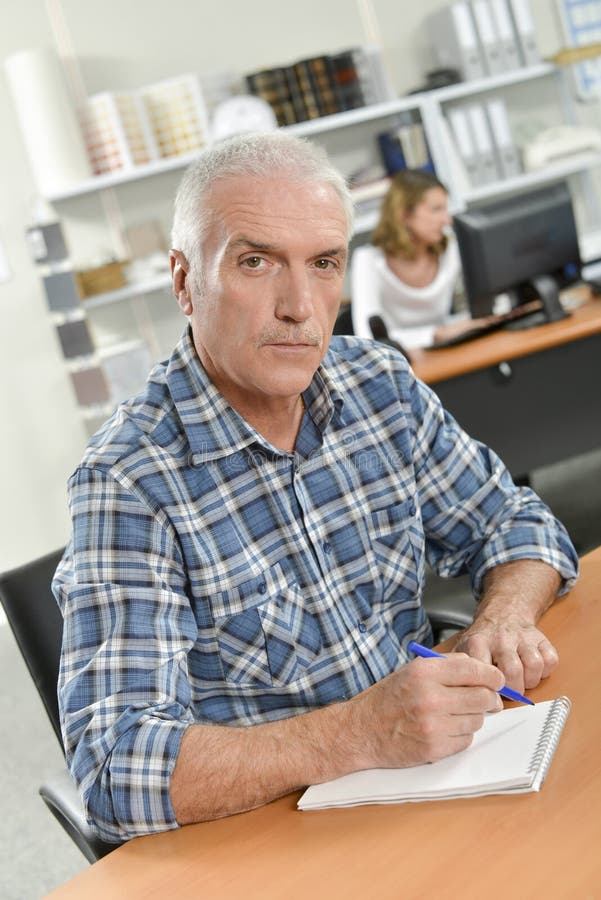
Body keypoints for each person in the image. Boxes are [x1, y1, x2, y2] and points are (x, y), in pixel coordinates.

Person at [53, 132, 578, 844]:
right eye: (255, 261)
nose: (300, 306)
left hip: (442, 779)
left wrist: (502, 619)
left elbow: (515, 521)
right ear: (184, 282)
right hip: (287, 834)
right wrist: (353, 736)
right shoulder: (128, 481)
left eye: (324, 263)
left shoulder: (377, 385)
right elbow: (114, 768)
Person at [351, 169, 491, 349]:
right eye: (436, 209)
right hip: (400, 362)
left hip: (448, 351)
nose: (447, 220)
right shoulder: (368, 260)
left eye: (445, 208)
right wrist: (435, 334)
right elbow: (367, 335)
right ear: (404, 215)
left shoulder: (450, 249)